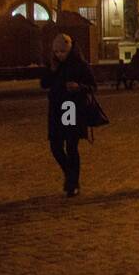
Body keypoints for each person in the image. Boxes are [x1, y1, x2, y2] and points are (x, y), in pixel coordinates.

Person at [41, 33, 96, 197]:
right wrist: (51, 71)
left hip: (71, 107)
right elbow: (44, 84)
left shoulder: (80, 65)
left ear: (69, 49)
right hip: (56, 108)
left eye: (62, 51)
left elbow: (92, 86)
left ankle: (72, 183)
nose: (59, 55)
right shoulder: (53, 64)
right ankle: (70, 176)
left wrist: (79, 87)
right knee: (55, 146)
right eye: (56, 52)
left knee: (71, 146)